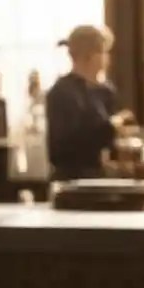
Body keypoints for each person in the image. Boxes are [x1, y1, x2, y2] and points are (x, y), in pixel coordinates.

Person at [46, 25, 132, 180]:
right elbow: (63, 148)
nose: (107, 58)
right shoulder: (62, 92)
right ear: (89, 55)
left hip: (103, 177)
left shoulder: (106, 92)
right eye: (103, 52)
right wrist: (111, 126)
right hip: (72, 181)